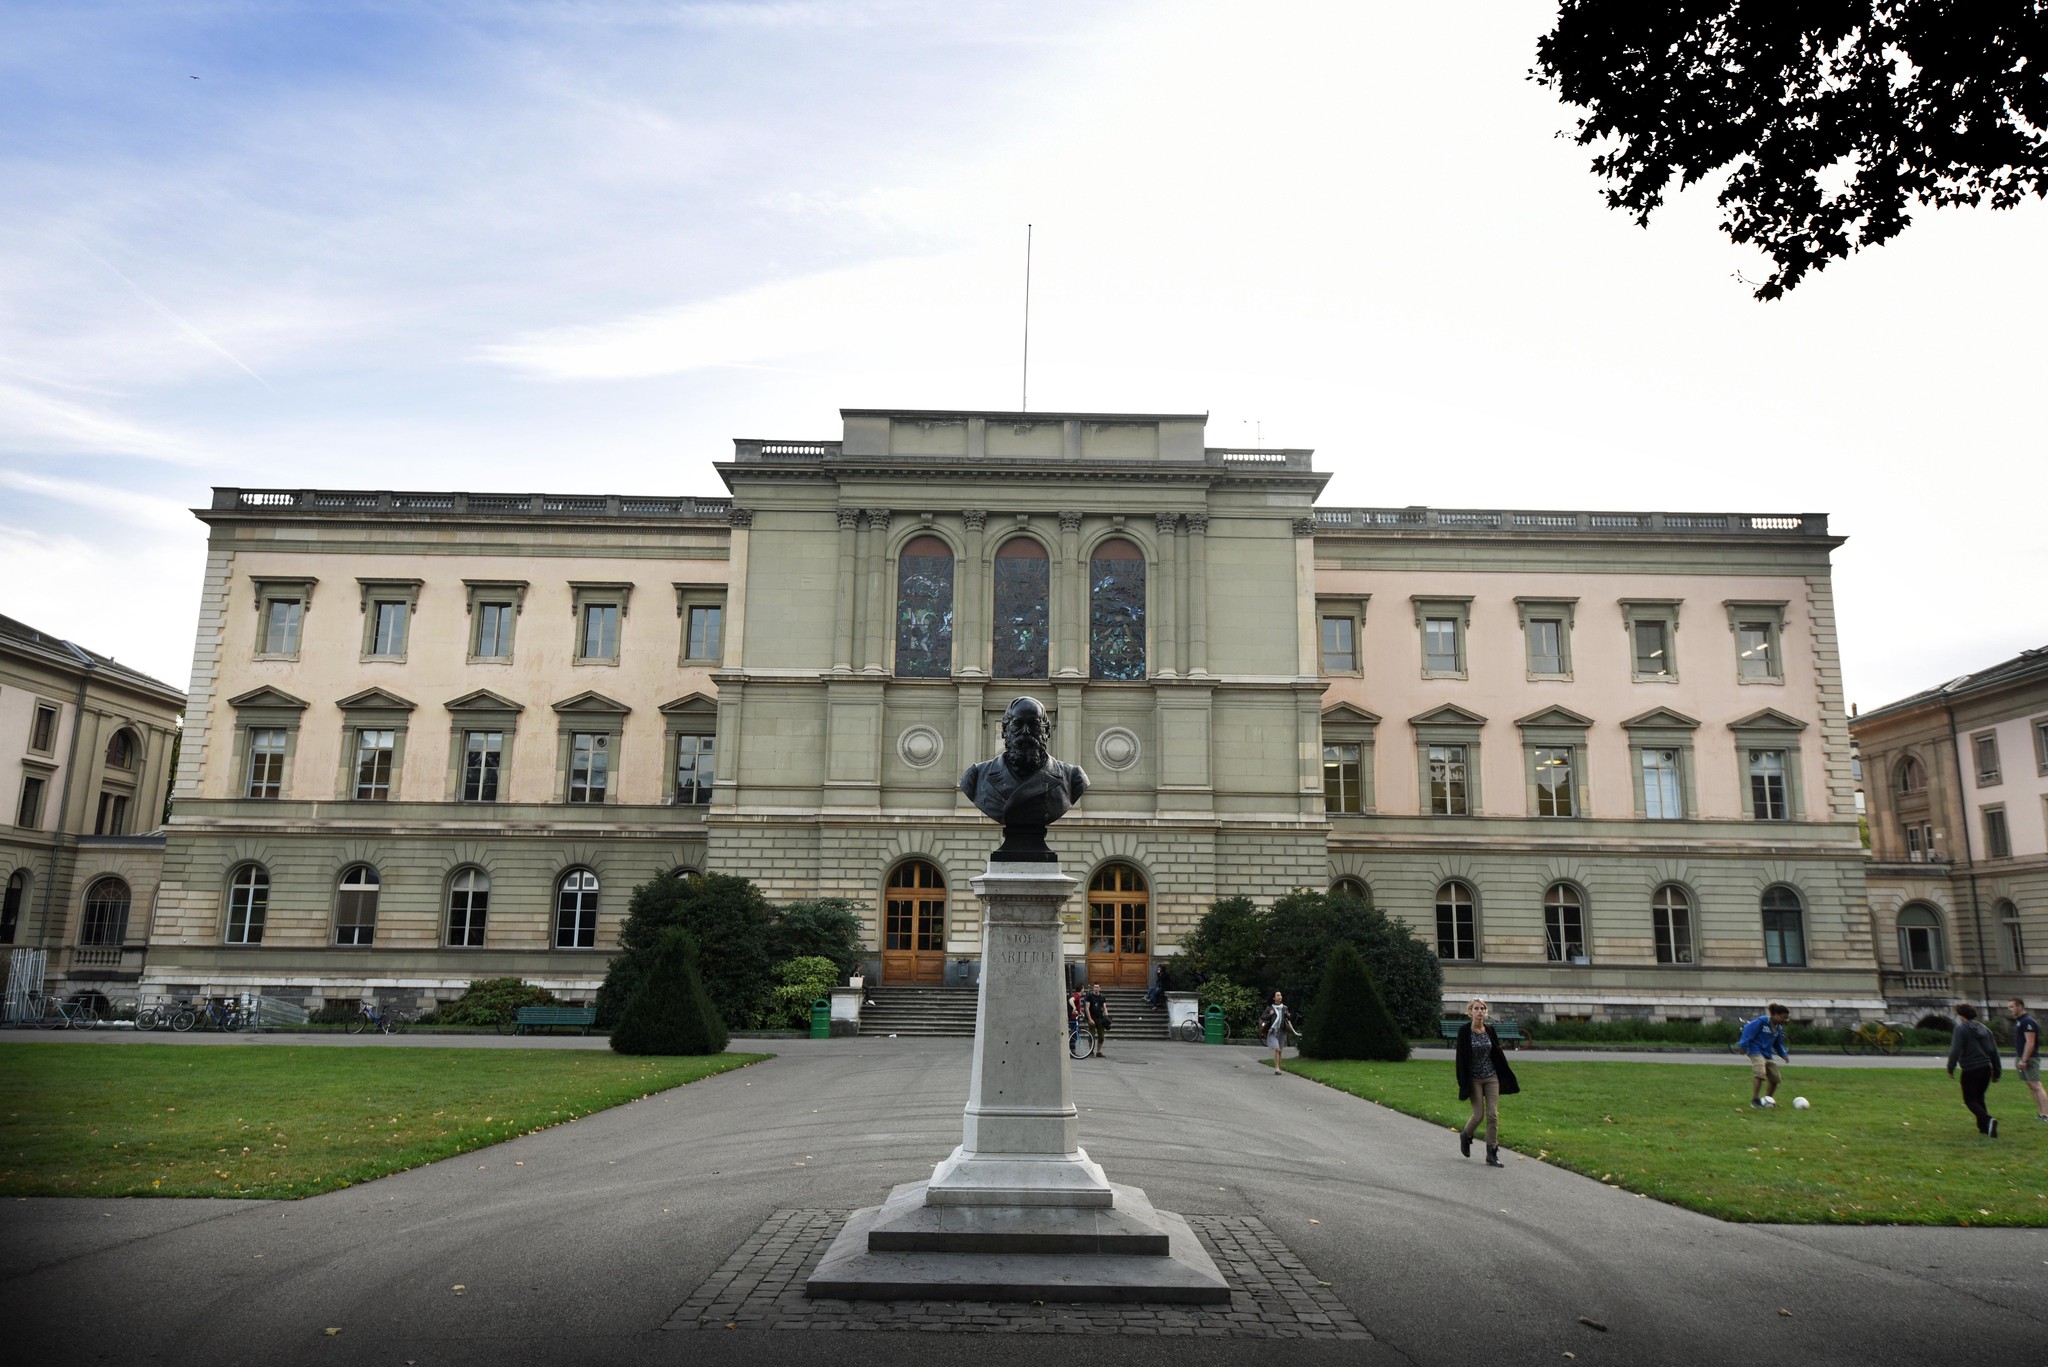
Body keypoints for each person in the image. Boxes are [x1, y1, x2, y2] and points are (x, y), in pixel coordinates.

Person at [1454, 997, 1520, 1167]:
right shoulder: (1464, 1031)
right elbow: (1460, 1058)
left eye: (1482, 1008)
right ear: (1470, 1012)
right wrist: (1463, 1081)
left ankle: (1491, 1153)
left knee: (1493, 1115)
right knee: (1478, 1115)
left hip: (1491, 1077)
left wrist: (1504, 1072)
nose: (1480, 1011)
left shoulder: (1489, 1030)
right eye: (1476, 1008)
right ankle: (1466, 1135)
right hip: (1474, 1079)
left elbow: (1497, 1052)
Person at [1947, 1002, 2002, 1137]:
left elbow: (1955, 1049)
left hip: (1970, 1068)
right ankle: (1984, 1128)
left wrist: (1951, 1067)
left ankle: (1988, 1120)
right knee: (1979, 1097)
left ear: (1961, 1016)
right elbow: (1994, 1051)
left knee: (1969, 1100)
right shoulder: (1985, 1029)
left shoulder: (1960, 1029)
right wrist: (1997, 1070)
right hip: (1985, 1068)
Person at [1737, 1003, 1790, 1108]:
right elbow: (1748, 1030)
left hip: (1767, 1053)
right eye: (1783, 1017)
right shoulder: (1762, 1021)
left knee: (1775, 1077)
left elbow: (1778, 1044)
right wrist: (1743, 1045)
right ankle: (1755, 1100)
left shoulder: (1778, 1028)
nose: (1785, 1020)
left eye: (1786, 1018)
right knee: (1760, 1072)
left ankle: (1767, 1100)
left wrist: (1783, 1054)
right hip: (1755, 1050)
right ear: (1775, 1015)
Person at [2008, 999, 2047, 1121]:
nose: (2010, 1009)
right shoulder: (2020, 1021)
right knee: (2031, 1085)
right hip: (2022, 1057)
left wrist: (2024, 1060)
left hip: (2030, 1058)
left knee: (2036, 1085)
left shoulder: (2027, 1021)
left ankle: (2046, 1114)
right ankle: (2041, 1113)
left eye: (2012, 1007)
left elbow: (2030, 1042)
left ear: (2020, 1006)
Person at [1259, 991, 1299, 1075]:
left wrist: (1288, 1014)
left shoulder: (1284, 1008)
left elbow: (1289, 1018)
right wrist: (1270, 1015)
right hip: (1273, 1031)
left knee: (1280, 1050)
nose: (1280, 996)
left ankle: (1278, 1068)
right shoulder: (1270, 1008)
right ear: (1274, 998)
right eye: (1278, 995)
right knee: (1276, 1049)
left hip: (1282, 1031)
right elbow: (1263, 1017)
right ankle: (1276, 1068)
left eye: (1280, 995)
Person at [1082, 982, 1109, 1058]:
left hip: (1100, 1018)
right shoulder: (1090, 996)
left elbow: (1104, 1007)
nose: (1095, 988)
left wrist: (1107, 1017)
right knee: (1091, 1035)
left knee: (1101, 1036)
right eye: (1094, 987)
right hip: (1092, 1017)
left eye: (1097, 987)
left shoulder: (1102, 997)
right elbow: (1087, 1008)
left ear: (1100, 988)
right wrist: (1090, 1019)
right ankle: (1091, 1051)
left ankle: (1098, 1052)